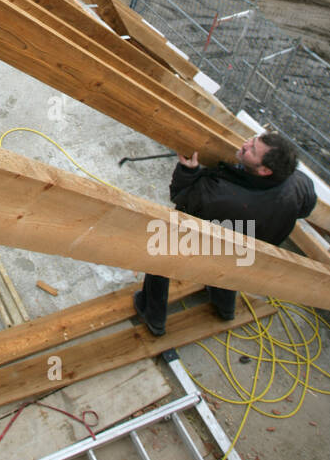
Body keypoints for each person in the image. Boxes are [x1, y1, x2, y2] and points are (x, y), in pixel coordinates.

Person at [134, 132, 317, 336]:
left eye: (252, 150)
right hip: (251, 252)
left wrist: (188, 171)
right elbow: (305, 209)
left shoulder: (217, 194)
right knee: (231, 268)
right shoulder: (301, 184)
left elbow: (181, 196)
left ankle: (152, 314)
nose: (245, 144)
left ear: (265, 170)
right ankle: (225, 308)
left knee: (160, 252)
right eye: (252, 140)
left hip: (218, 245)